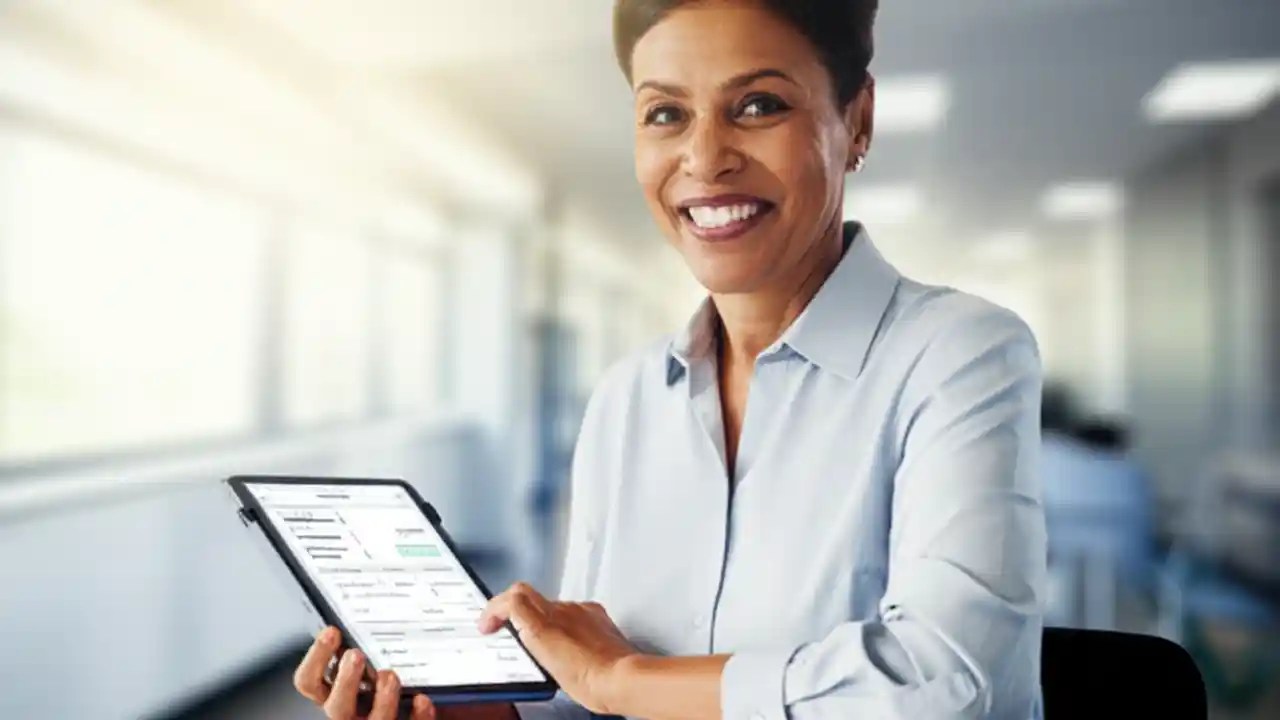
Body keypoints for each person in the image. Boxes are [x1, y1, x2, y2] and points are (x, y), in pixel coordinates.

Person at [293, 1, 1047, 718]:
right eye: (666, 114)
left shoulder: (958, 355)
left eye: (758, 106)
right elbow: (590, 701)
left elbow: (943, 686)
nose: (705, 158)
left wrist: (621, 677)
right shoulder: (627, 399)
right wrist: (480, 717)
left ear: (858, 119)